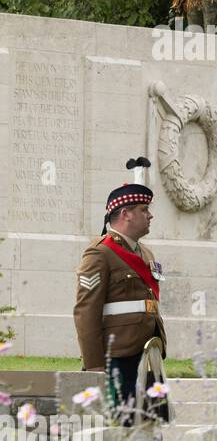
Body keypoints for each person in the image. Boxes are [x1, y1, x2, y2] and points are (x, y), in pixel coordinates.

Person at [73, 157, 170, 426]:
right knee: (118, 428)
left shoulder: (145, 252)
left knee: (146, 426)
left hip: (147, 352)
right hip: (116, 356)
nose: (150, 215)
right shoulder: (100, 253)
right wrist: (94, 364)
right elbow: (85, 311)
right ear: (125, 214)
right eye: (143, 209)